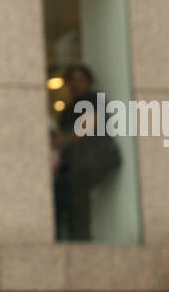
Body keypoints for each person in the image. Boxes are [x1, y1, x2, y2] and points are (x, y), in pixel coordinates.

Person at [51, 63, 120, 242]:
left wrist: (65, 140)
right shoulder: (67, 109)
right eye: (71, 80)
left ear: (88, 81)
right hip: (74, 162)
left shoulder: (93, 99)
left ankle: (81, 239)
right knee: (64, 194)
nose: (75, 84)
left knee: (77, 195)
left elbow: (86, 127)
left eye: (79, 80)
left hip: (95, 157)